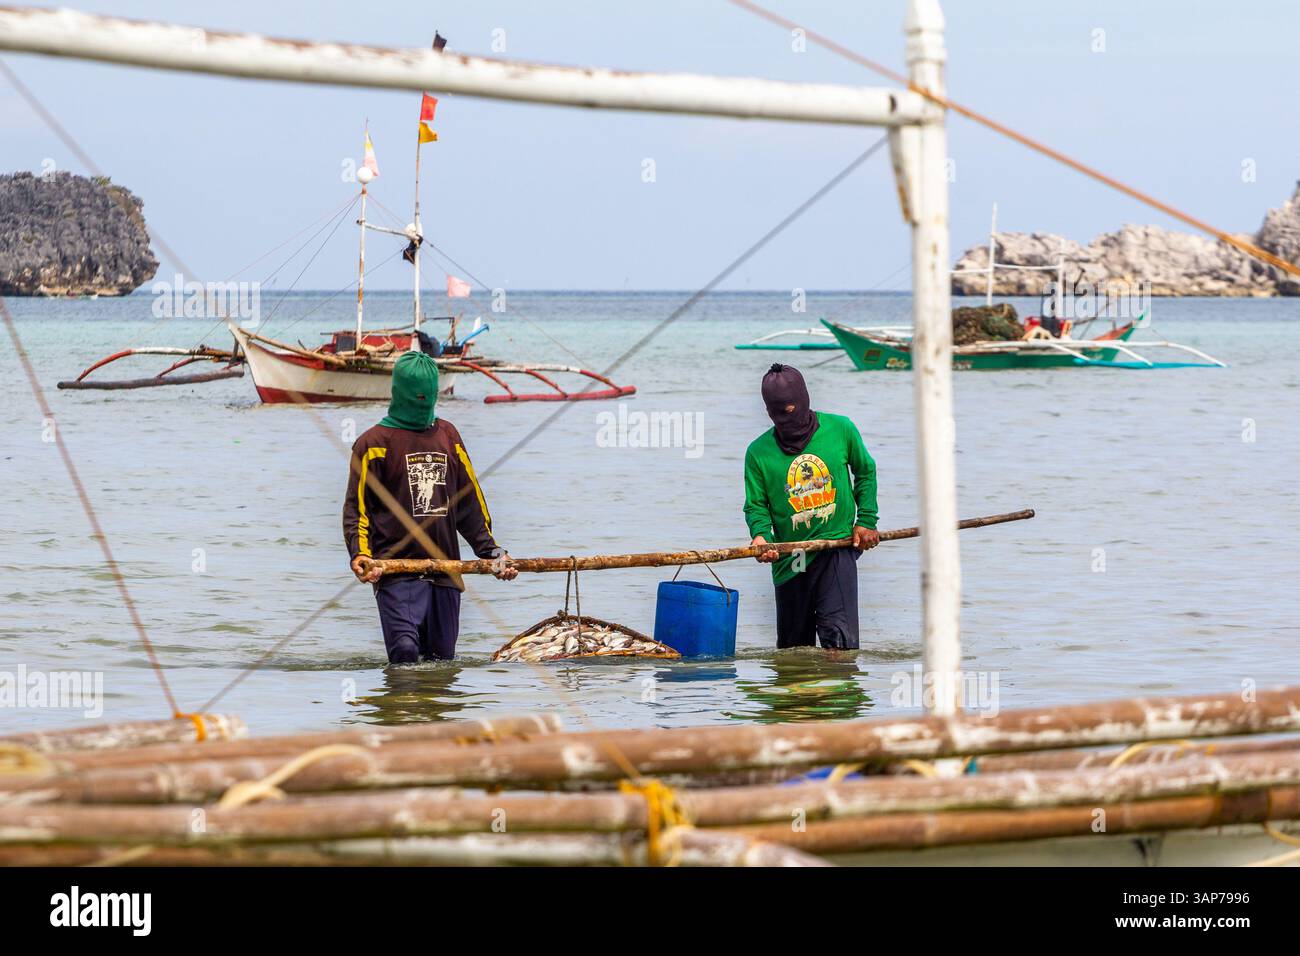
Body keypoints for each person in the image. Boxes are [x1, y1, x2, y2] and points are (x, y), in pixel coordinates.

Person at [343, 351, 516, 663]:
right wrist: (361, 554)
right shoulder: (373, 444)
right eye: (417, 397)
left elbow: (469, 503)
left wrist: (492, 552)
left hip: (446, 573)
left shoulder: (447, 436)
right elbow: (358, 511)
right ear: (399, 393)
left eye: (429, 397)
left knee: (441, 663)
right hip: (395, 573)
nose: (423, 403)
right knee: (406, 656)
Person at [742, 363, 879, 649]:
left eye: (791, 412)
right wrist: (760, 535)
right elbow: (756, 504)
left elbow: (865, 471)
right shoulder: (758, 452)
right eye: (778, 416)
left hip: (836, 548)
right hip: (792, 559)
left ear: (804, 401)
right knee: (794, 653)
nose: (787, 422)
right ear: (769, 412)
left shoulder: (841, 429)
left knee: (839, 646)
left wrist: (866, 520)